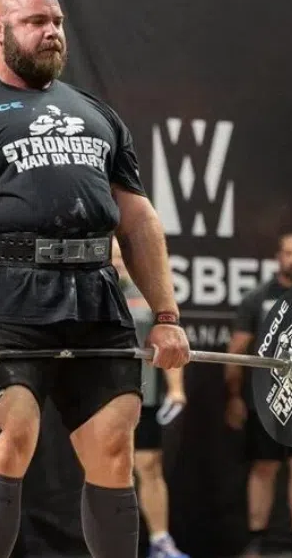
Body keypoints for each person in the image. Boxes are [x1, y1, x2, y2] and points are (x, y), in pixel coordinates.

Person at [0, 0, 191, 558]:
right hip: (9, 298)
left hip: (96, 295)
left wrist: (166, 315)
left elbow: (138, 223)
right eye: (36, 21)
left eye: (58, 22)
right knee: (10, 442)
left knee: (115, 450)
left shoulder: (97, 114)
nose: (52, 33)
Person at [224, 233, 292, 558]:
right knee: (264, 467)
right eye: (289, 253)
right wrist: (235, 397)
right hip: (265, 402)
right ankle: (256, 540)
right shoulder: (258, 298)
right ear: (278, 257)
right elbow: (237, 351)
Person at [111, 238, 189, 558]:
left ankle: (160, 542)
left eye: (121, 256)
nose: (116, 262)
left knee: (148, 466)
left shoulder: (147, 294)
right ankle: (112, 546)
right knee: (110, 469)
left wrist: (176, 389)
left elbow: (168, 343)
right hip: (101, 398)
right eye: (111, 255)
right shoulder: (92, 295)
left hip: (144, 395)